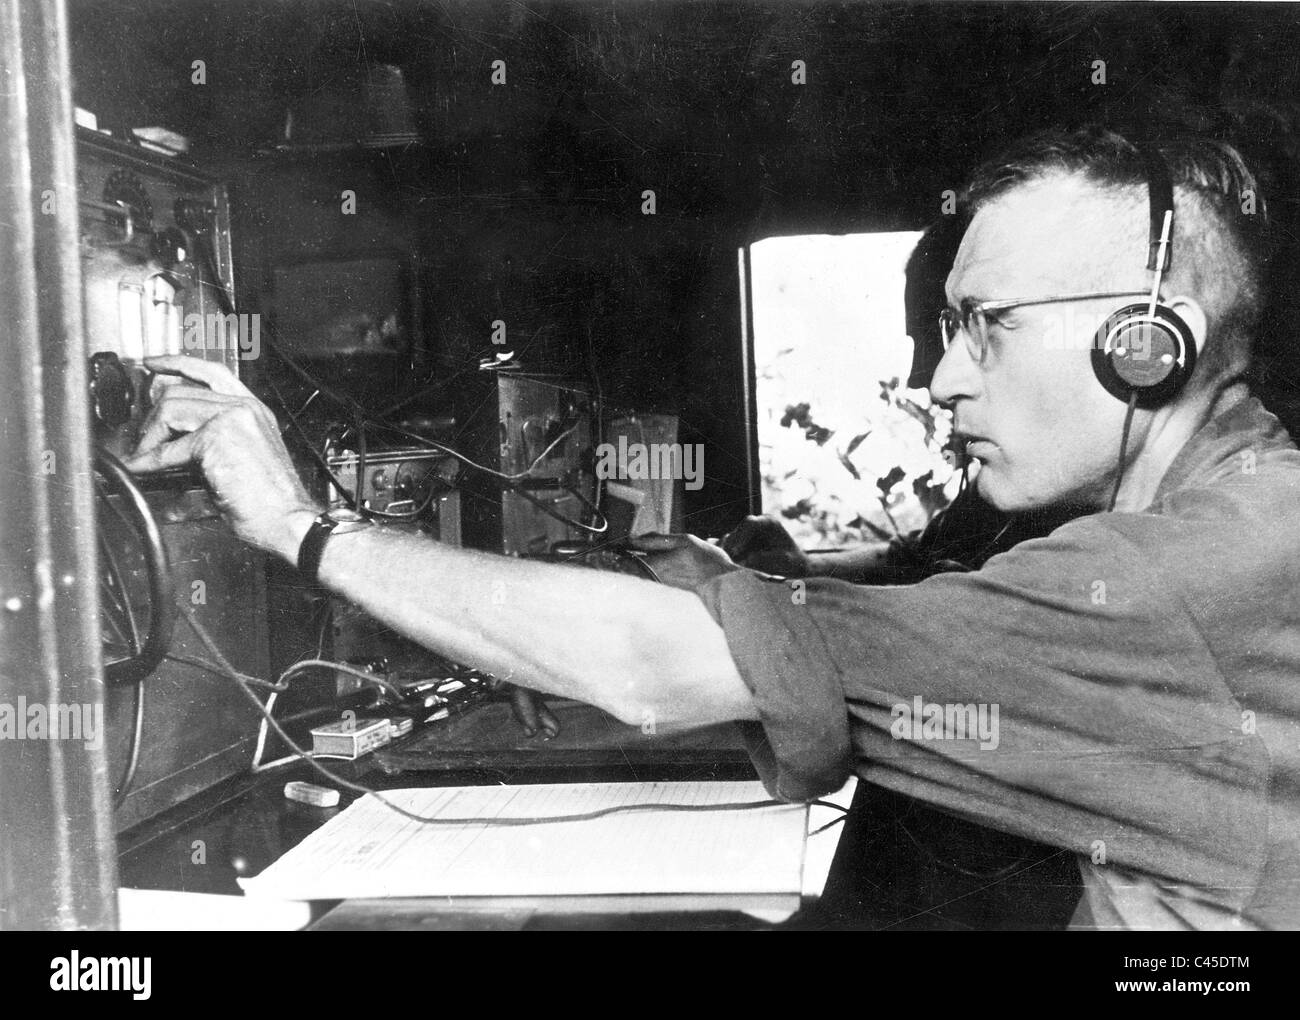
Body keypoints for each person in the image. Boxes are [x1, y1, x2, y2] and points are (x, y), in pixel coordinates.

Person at [125, 125, 1299, 930]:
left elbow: (657, 669)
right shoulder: (1229, 516)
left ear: (1147, 342)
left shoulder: (1177, 572)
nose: (943, 379)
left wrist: (296, 522)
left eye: (985, 325)